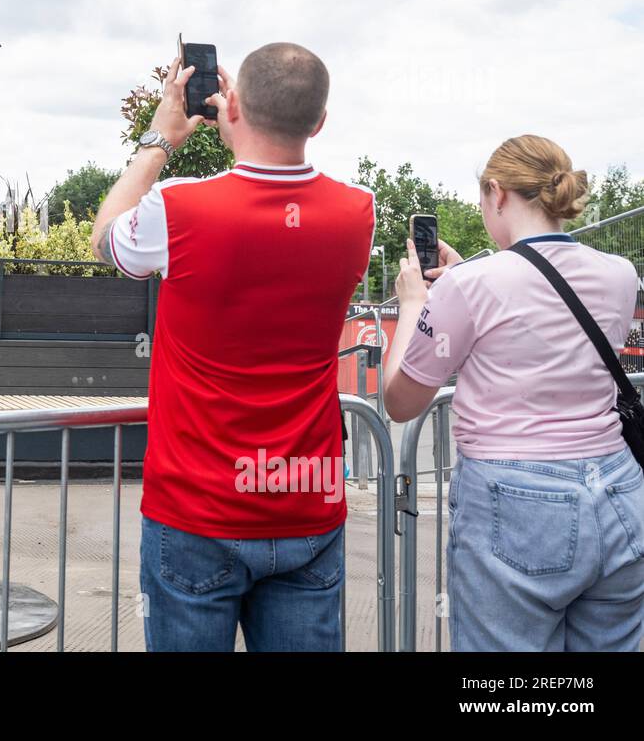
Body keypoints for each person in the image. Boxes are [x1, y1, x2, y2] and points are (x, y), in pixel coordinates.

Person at [92, 43, 375, 651]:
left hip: (197, 508)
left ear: (234, 105)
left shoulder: (181, 206)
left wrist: (159, 138)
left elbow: (104, 238)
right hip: (308, 499)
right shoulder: (357, 213)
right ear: (319, 122)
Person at [384, 135, 643, 651]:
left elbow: (401, 401)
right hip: (619, 489)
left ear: (497, 193)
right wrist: (461, 282)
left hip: (514, 502)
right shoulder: (621, 274)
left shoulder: (471, 285)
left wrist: (415, 304)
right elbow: (536, 305)